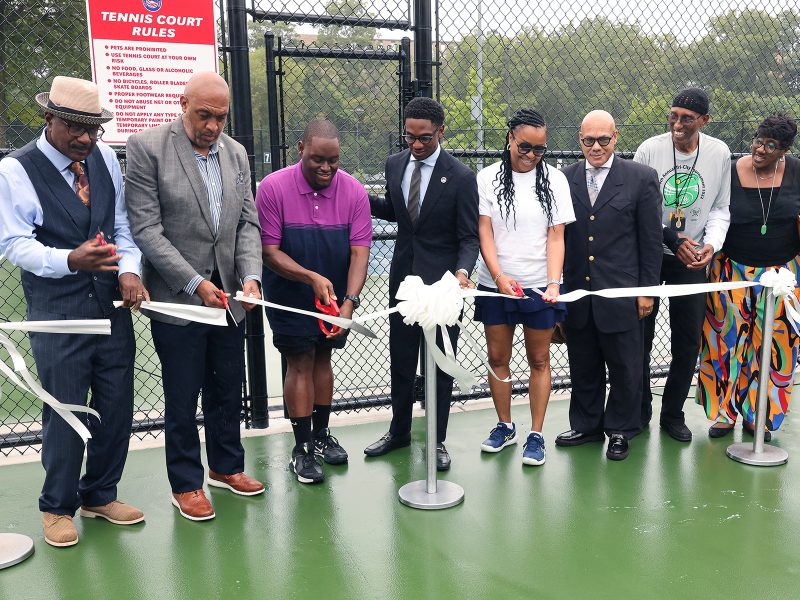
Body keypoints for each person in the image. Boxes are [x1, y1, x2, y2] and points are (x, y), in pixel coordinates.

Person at [0, 76, 147, 547]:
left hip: (110, 308)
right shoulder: (16, 170)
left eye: (94, 129)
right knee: (64, 409)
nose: (86, 139)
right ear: (49, 119)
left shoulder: (103, 160)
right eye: (75, 129)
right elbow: (14, 243)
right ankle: (56, 507)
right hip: (57, 313)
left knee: (115, 406)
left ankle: (100, 494)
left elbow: (121, 225)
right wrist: (68, 260)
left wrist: (129, 270)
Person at [125, 72, 264, 521]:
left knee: (227, 387)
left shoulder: (237, 154)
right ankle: (186, 484)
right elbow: (147, 229)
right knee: (182, 395)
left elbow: (247, 223)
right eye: (204, 114)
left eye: (220, 117)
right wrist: (194, 284)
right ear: (181, 103)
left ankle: (226, 467)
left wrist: (251, 279)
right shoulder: (147, 148)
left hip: (229, 299)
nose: (212, 126)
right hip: (179, 300)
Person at [364, 97, 479, 470]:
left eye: (424, 138)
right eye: (410, 137)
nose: (416, 145)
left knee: (440, 365)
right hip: (403, 285)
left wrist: (462, 273)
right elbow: (397, 214)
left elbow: (469, 237)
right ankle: (398, 432)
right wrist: (359, 198)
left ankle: (437, 440)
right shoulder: (395, 164)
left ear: (440, 132)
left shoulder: (460, 177)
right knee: (401, 361)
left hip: (443, 290)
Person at [256, 119, 372, 484]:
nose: (326, 168)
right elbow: (270, 252)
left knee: (324, 357)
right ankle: (302, 448)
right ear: (301, 149)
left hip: (335, 301)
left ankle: (320, 436)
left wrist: (349, 303)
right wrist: (310, 277)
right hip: (289, 295)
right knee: (300, 361)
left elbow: (359, 253)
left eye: (333, 160)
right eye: (318, 159)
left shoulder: (354, 191)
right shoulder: (273, 188)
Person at [556, 110, 662, 461]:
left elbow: (649, 241)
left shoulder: (641, 178)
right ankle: (586, 425)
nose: (596, 147)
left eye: (603, 139)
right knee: (583, 363)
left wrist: (647, 290)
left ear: (616, 137)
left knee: (624, 366)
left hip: (622, 294)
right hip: (578, 292)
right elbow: (556, 239)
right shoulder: (563, 179)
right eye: (589, 140)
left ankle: (620, 429)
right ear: (579, 139)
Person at [474, 108, 574, 466]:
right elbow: (484, 231)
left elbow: (556, 236)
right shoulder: (486, 178)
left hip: (539, 288)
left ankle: (535, 434)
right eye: (525, 147)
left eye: (539, 149)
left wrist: (552, 283)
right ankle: (505, 425)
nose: (531, 155)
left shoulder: (556, 181)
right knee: (498, 358)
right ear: (509, 139)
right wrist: (499, 276)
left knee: (539, 359)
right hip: (494, 285)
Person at [634, 87, 731, 442]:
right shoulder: (650, 149)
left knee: (687, 343)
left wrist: (710, 245)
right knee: (640, 339)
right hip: (649, 254)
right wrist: (670, 238)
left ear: (703, 121)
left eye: (686, 119)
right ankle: (639, 411)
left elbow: (720, 207)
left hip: (692, 261)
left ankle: (672, 415)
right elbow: (639, 209)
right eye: (673, 115)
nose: (677, 123)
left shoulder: (719, 152)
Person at [697, 113, 800, 440]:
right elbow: (713, 214)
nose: (760, 149)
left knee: (772, 345)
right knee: (725, 344)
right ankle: (725, 414)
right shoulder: (729, 170)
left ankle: (758, 415)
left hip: (782, 275)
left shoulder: (796, 171)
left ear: (784, 150)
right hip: (732, 273)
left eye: (771, 145)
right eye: (758, 140)